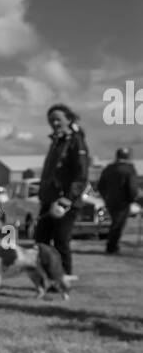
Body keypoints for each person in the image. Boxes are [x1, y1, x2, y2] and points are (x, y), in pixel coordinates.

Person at [33, 104, 89, 275]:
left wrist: (68, 198)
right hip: (49, 200)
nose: (54, 123)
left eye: (58, 119)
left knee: (61, 240)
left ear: (69, 119)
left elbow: (81, 174)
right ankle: (46, 277)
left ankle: (63, 279)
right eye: (51, 120)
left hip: (65, 203)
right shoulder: (56, 142)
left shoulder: (75, 142)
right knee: (40, 240)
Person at [98, 147, 139, 255]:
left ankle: (112, 246)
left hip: (110, 200)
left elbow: (100, 185)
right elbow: (132, 187)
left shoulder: (109, 168)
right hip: (123, 202)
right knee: (118, 225)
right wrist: (132, 198)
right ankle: (112, 247)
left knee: (114, 223)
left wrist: (105, 197)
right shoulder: (129, 169)